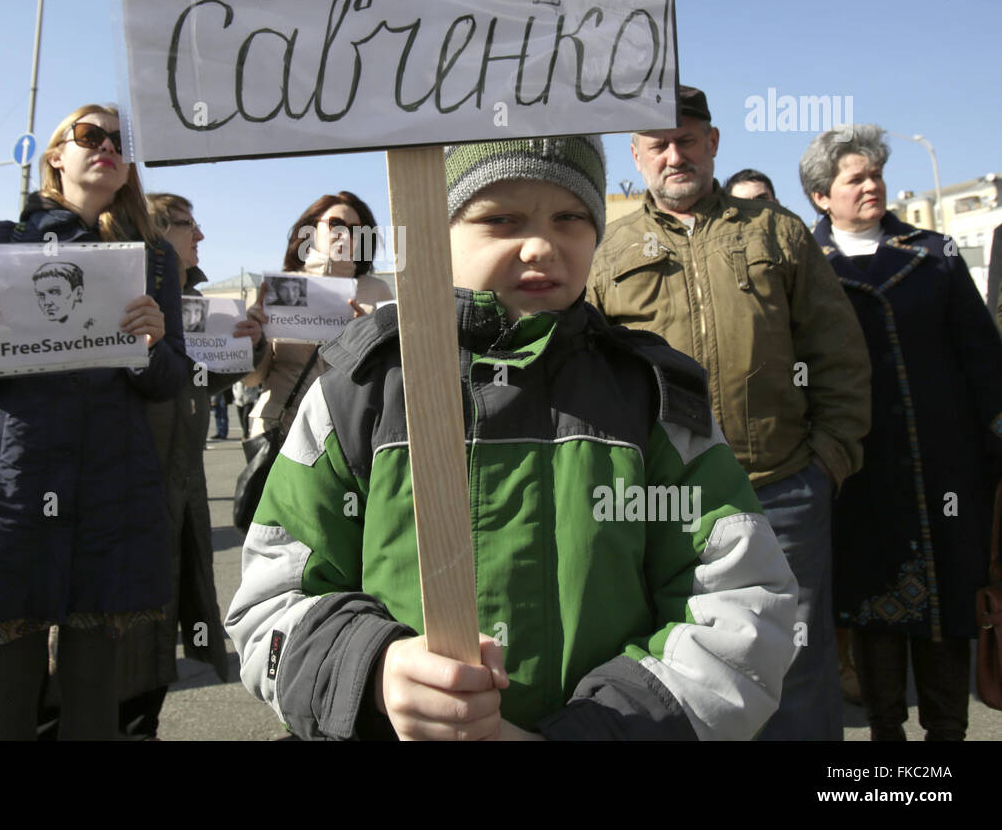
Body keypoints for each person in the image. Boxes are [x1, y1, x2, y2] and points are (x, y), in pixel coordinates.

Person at [226, 136, 798, 740]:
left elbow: (740, 605)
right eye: (500, 219)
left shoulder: (654, 398)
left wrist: (599, 731)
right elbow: (271, 605)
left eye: (570, 217)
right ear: (436, 234)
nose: (541, 245)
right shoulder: (359, 391)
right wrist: (374, 669)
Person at [587, 85, 871, 741]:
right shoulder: (609, 251)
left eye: (687, 139)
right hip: (661, 506)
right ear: (637, 153)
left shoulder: (776, 230)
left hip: (783, 491)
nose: (674, 154)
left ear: (712, 143)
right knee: (677, 670)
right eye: (657, 143)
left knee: (794, 667)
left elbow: (839, 356)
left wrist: (827, 464)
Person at [0, 104, 187, 741]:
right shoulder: (2, 242)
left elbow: (170, 382)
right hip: (14, 482)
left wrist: (152, 346)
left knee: (94, 693)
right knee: (7, 694)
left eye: (121, 142)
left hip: (109, 487)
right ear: (56, 157)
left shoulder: (151, 259)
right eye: (89, 136)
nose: (107, 148)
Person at [801, 124, 1002, 741]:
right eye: (855, 178)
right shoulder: (804, 265)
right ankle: (888, 743)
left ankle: (947, 741)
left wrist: (992, 442)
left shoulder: (935, 255)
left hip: (944, 467)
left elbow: (982, 356)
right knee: (871, 609)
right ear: (820, 196)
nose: (871, 186)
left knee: (945, 609)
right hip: (857, 470)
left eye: (875, 175)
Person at [114, 192, 262, 740]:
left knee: (160, 626)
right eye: (187, 226)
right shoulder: (124, 294)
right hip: (126, 493)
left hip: (179, 490)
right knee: (118, 635)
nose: (199, 238)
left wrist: (248, 345)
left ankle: (141, 725)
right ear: (154, 231)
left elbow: (198, 382)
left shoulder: (197, 301)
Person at [242, 191, 392, 441]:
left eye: (356, 229)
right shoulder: (280, 289)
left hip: (349, 432)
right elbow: (252, 380)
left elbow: (390, 373)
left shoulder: (377, 291)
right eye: (336, 224)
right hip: (280, 430)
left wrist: (362, 341)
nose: (345, 234)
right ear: (311, 230)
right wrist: (254, 341)